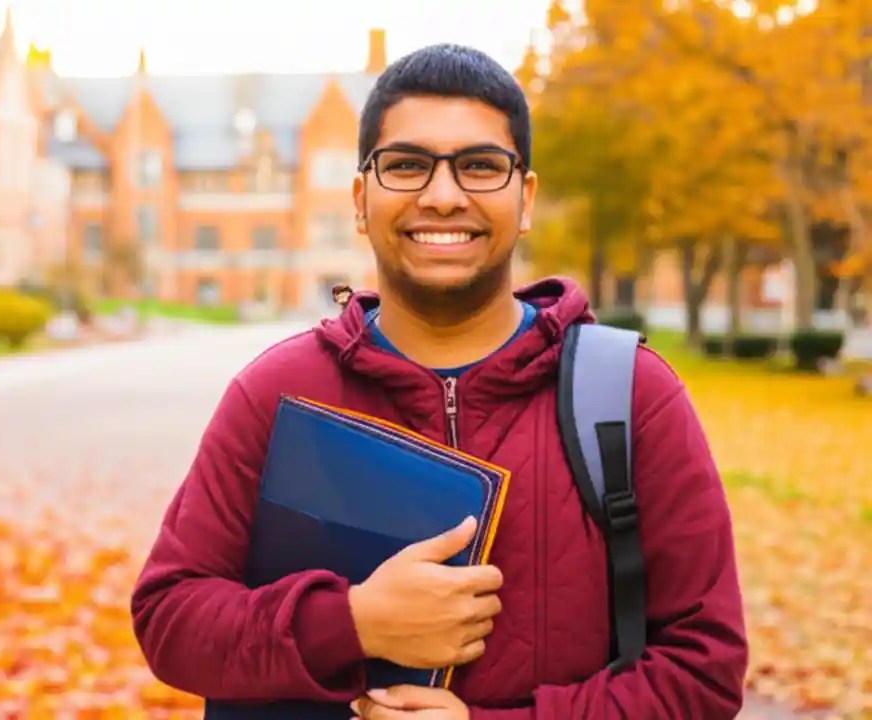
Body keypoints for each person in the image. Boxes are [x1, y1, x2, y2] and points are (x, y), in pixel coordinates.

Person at [130, 42, 748, 719]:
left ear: (526, 196)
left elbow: (703, 674)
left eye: (481, 166)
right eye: (408, 165)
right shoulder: (278, 391)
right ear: (362, 200)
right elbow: (171, 620)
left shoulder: (629, 395)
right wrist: (353, 622)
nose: (443, 196)